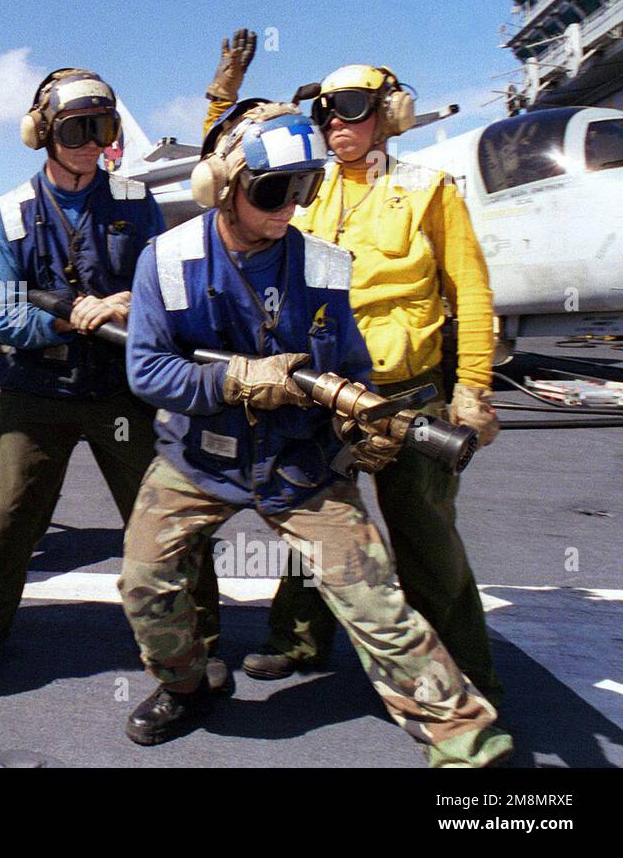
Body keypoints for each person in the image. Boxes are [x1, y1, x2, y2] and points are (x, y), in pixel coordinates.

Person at [118, 99, 512, 767]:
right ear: (226, 189)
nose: (290, 210)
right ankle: (186, 685)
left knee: (375, 600)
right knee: (145, 581)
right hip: (199, 458)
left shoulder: (326, 263)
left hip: (299, 460)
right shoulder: (167, 258)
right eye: (275, 191)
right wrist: (234, 382)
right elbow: (148, 369)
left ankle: (464, 738)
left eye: (306, 189)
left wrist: (361, 422)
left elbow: (351, 362)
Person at [203, 37, 504, 702]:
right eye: (327, 111)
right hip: (322, 394)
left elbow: (472, 293)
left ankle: (468, 675)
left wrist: (473, 391)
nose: (336, 121)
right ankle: (299, 638)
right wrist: (224, 95)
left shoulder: (427, 190)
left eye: (353, 107)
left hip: (407, 397)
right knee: (316, 526)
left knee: (427, 541)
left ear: (390, 114)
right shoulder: (305, 189)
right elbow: (226, 165)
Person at [0, 68, 224, 688]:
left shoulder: (134, 199)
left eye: (101, 128)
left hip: (119, 391)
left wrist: (126, 302)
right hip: (36, 396)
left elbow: (169, 283)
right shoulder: (11, 212)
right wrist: (70, 322)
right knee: (2, 524)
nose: (88, 142)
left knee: (169, 520)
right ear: (43, 134)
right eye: (75, 128)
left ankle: (201, 642)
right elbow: (5, 314)